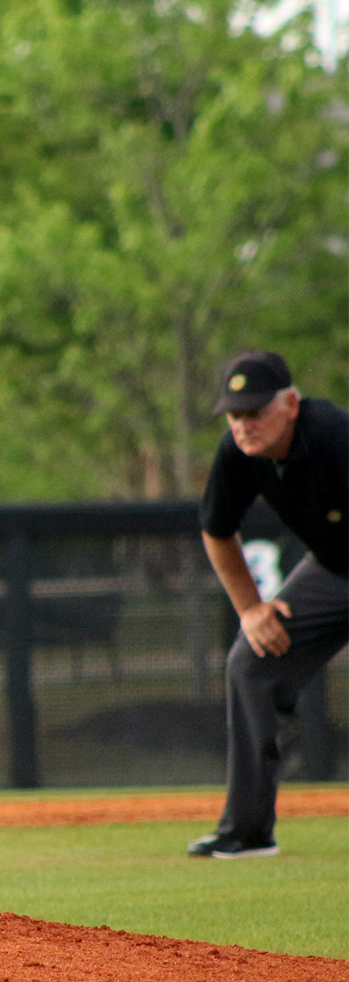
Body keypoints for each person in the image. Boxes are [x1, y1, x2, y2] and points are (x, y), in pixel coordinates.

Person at [192, 350, 348, 858]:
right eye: (235, 414)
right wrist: (252, 609)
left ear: (291, 404)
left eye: (255, 412)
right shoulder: (238, 452)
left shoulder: (332, 433)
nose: (243, 424)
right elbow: (217, 531)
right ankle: (248, 830)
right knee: (251, 662)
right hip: (333, 569)